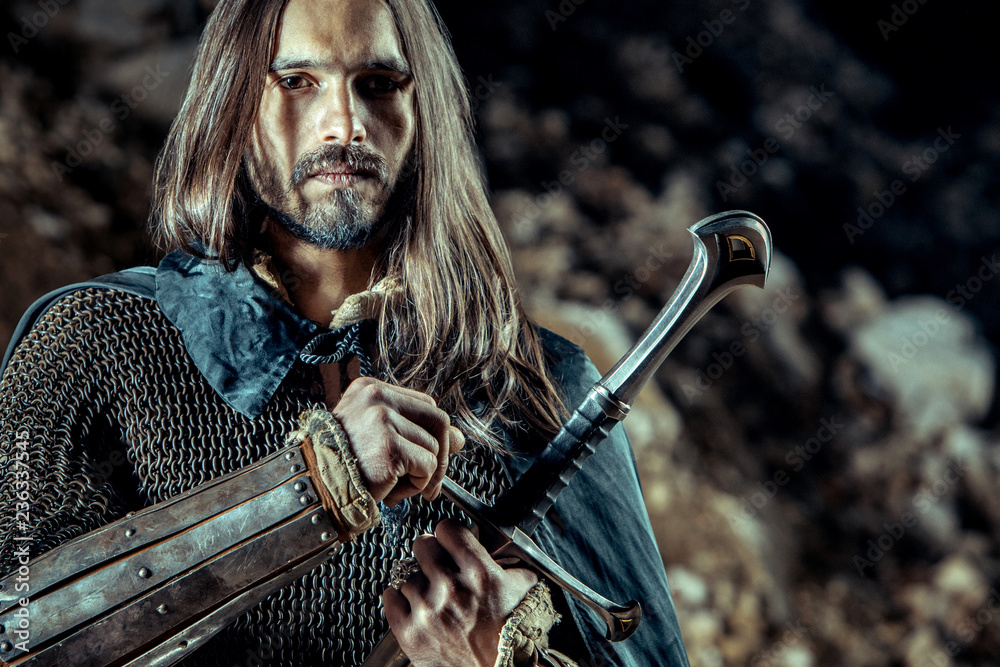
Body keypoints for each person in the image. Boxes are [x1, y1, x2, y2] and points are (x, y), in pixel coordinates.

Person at [0, 0, 690, 665]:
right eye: (297, 82)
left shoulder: (539, 391)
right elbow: (14, 632)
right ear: (233, 107)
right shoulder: (92, 343)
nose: (344, 123)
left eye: (380, 84)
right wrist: (313, 486)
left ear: (424, 118)